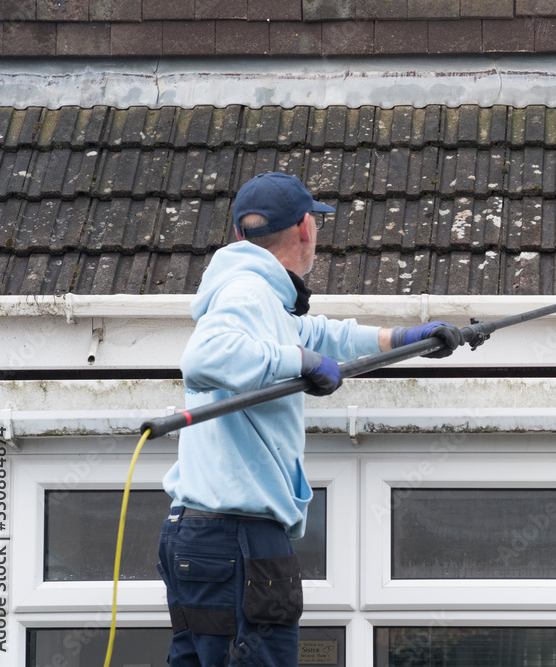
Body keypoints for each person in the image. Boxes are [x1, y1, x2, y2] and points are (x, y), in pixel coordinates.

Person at [157, 172, 463, 666]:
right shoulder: (249, 292)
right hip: (235, 538)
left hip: (203, 536)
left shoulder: (256, 295)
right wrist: (297, 362)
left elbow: (324, 336)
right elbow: (206, 356)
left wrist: (405, 340)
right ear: (306, 227)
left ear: (241, 233)